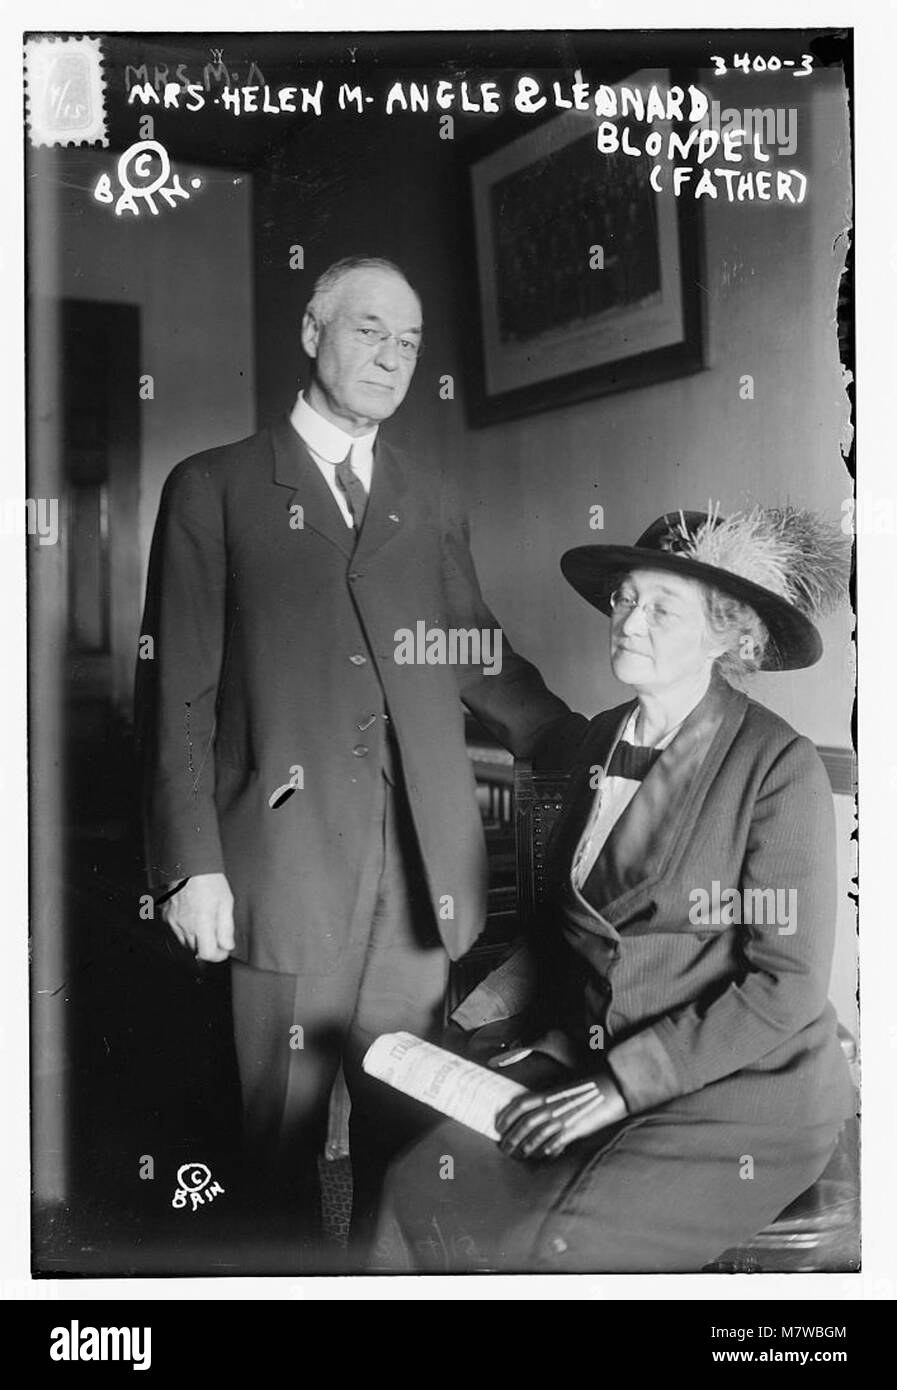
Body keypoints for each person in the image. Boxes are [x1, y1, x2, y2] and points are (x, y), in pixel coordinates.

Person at [134, 256, 585, 1261]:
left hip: (421, 880)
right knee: (277, 1137)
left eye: (409, 342)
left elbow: (476, 654)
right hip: (278, 872)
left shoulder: (427, 497)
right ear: (311, 331)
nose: (390, 356)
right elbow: (178, 696)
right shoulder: (212, 487)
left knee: (407, 1127)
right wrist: (189, 864)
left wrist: (593, 740)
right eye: (368, 329)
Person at [371, 503, 855, 1273]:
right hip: (595, 1049)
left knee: (558, 1247)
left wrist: (620, 1087)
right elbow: (572, 930)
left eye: (662, 607)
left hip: (736, 1086)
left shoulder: (776, 766)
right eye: (625, 600)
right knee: (416, 1180)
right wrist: (473, 1026)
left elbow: (783, 987)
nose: (628, 621)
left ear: (727, 634)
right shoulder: (597, 741)